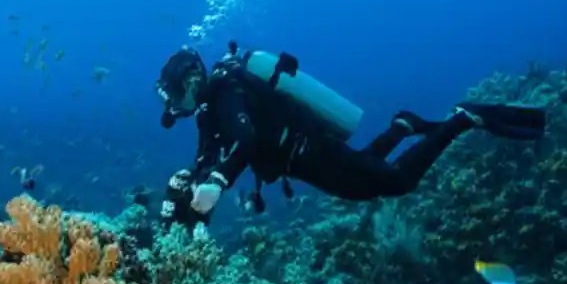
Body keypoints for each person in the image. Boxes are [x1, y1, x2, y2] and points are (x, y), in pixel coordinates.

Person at [155, 43, 546, 227]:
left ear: (191, 81)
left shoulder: (226, 91)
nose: (172, 106)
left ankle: (461, 120)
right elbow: (210, 150)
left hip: (309, 147)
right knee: (365, 177)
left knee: (396, 181)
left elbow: (246, 139)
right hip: (301, 157)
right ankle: (402, 127)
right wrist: (191, 179)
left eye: (173, 96)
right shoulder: (208, 108)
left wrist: (220, 182)